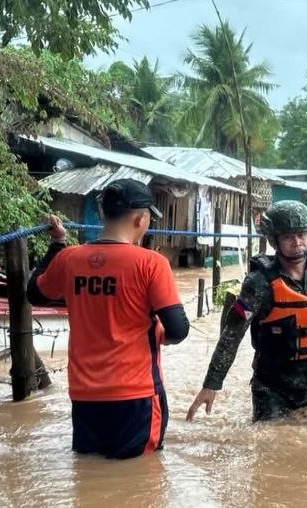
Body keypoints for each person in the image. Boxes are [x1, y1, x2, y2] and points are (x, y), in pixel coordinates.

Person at [27, 179, 188, 459]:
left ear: (103, 214)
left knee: (90, 479)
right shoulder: (151, 263)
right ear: (140, 219)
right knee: (141, 484)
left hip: (84, 395)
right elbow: (178, 328)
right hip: (137, 395)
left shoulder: (69, 258)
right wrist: (160, 334)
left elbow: (36, 294)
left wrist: (57, 244)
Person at [188, 201, 307, 422]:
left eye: (301, 235)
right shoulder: (258, 285)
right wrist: (212, 384)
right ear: (273, 240)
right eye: (288, 237)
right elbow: (232, 336)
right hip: (273, 391)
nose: (297, 242)